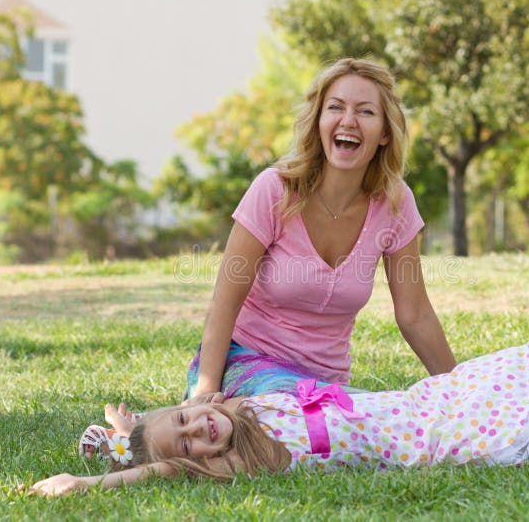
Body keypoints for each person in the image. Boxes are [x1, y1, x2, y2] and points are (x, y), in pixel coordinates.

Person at [27, 341, 529, 497]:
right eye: (188, 443)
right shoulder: (250, 460)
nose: (196, 431)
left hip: (426, 402)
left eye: (187, 416)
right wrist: (94, 481)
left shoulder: (246, 404)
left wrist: (122, 428)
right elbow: (159, 467)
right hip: (434, 440)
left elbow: (160, 429)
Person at [183, 57, 456, 400]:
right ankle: (150, 433)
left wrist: (460, 392)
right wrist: (205, 393)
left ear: (385, 133)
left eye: (366, 112)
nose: (348, 120)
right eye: (336, 107)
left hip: (323, 389)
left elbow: (415, 315)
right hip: (246, 365)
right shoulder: (274, 190)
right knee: (294, 411)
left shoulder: (395, 204)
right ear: (318, 121)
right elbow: (225, 302)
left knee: (375, 416)